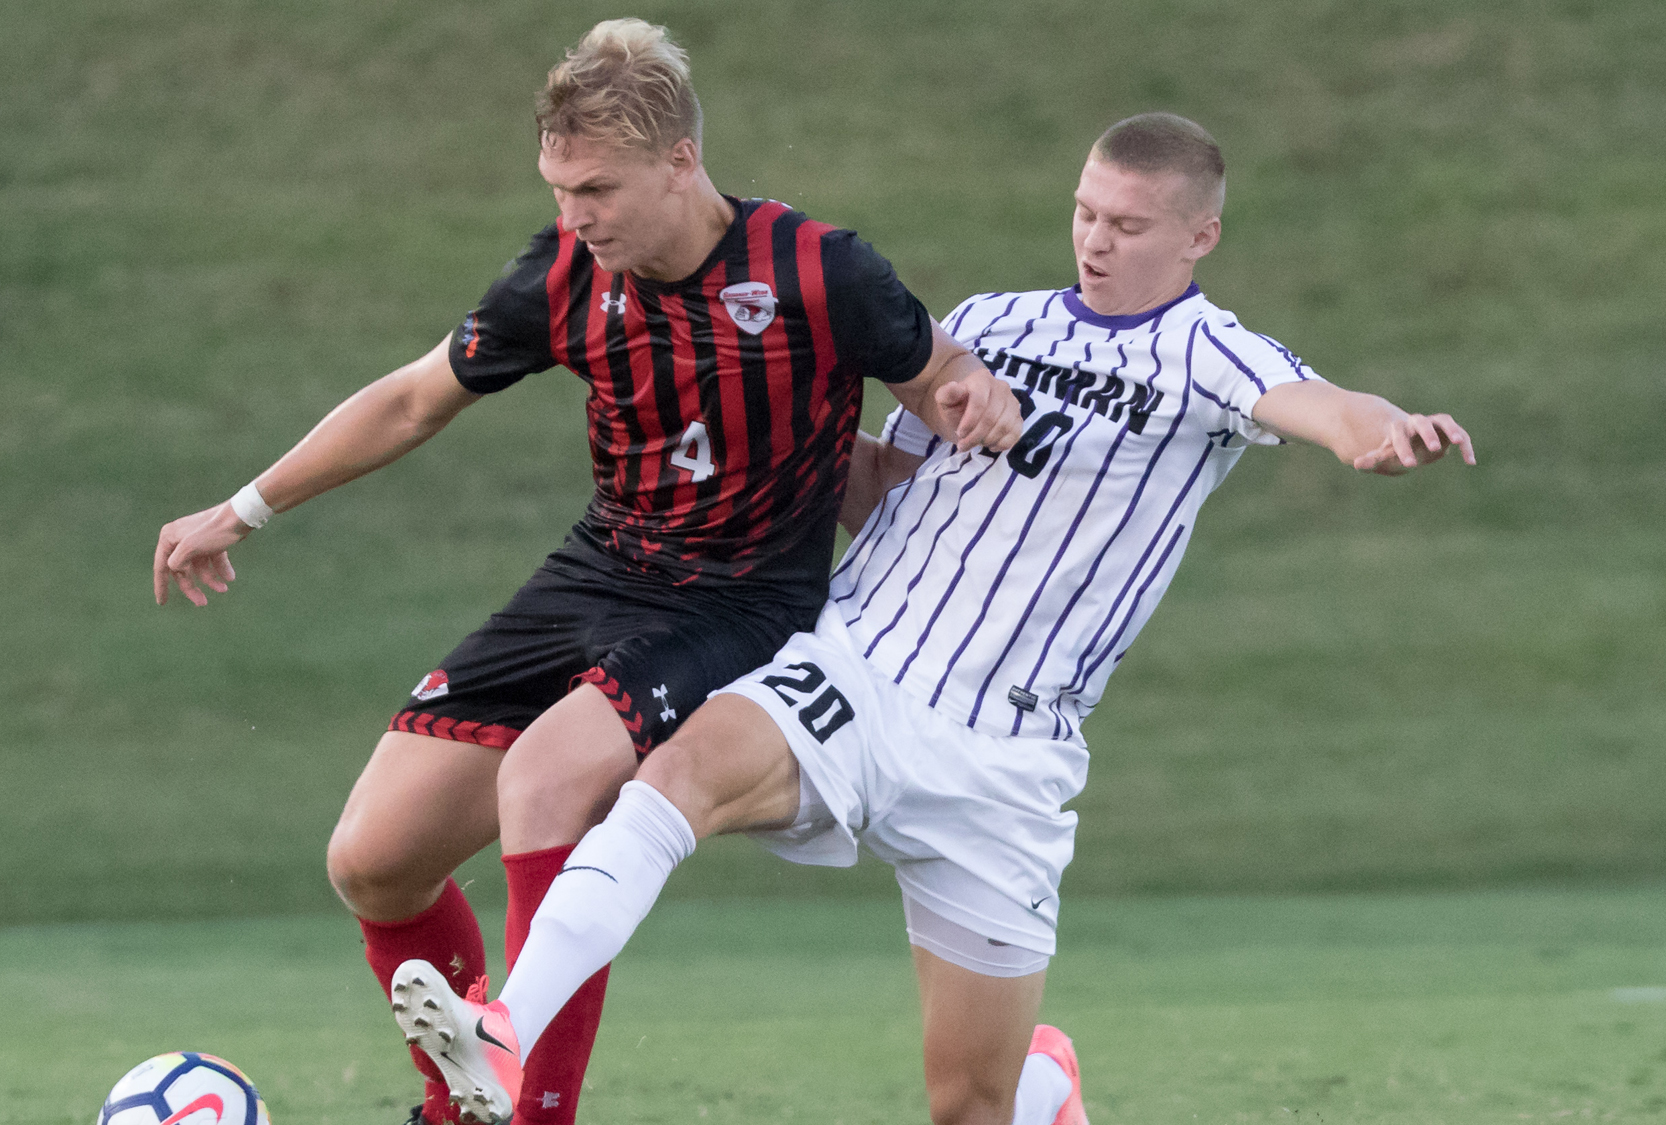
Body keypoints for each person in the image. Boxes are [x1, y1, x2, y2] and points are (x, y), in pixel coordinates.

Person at [385, 111, 1477, 1125]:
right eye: (1085, 212)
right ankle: (508, 1032)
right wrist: (752, 415)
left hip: (1009, 757)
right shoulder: (989, 326)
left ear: (1200, 235)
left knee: (969, 1103)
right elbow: (878, 487)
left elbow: (1324, 403)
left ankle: (1044, 1082)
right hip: (862, 671)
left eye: (1129, 225)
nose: (1096, 241)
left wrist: (1377, 432)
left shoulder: (1203, 354)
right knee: (676, 775)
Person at [151, 20, 1020, 1125]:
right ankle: (455, 1104)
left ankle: (534, 1108)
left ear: (680, 162)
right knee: (372, 860)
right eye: (559, 188)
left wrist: (968, 390)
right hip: (599, 570)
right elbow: (415, 398)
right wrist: (242, 508)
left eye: (596, 189)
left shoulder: (817, 269)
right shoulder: (562, 275)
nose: (575, 215)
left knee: (547, 779)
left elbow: (935, 367)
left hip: (739, 600)